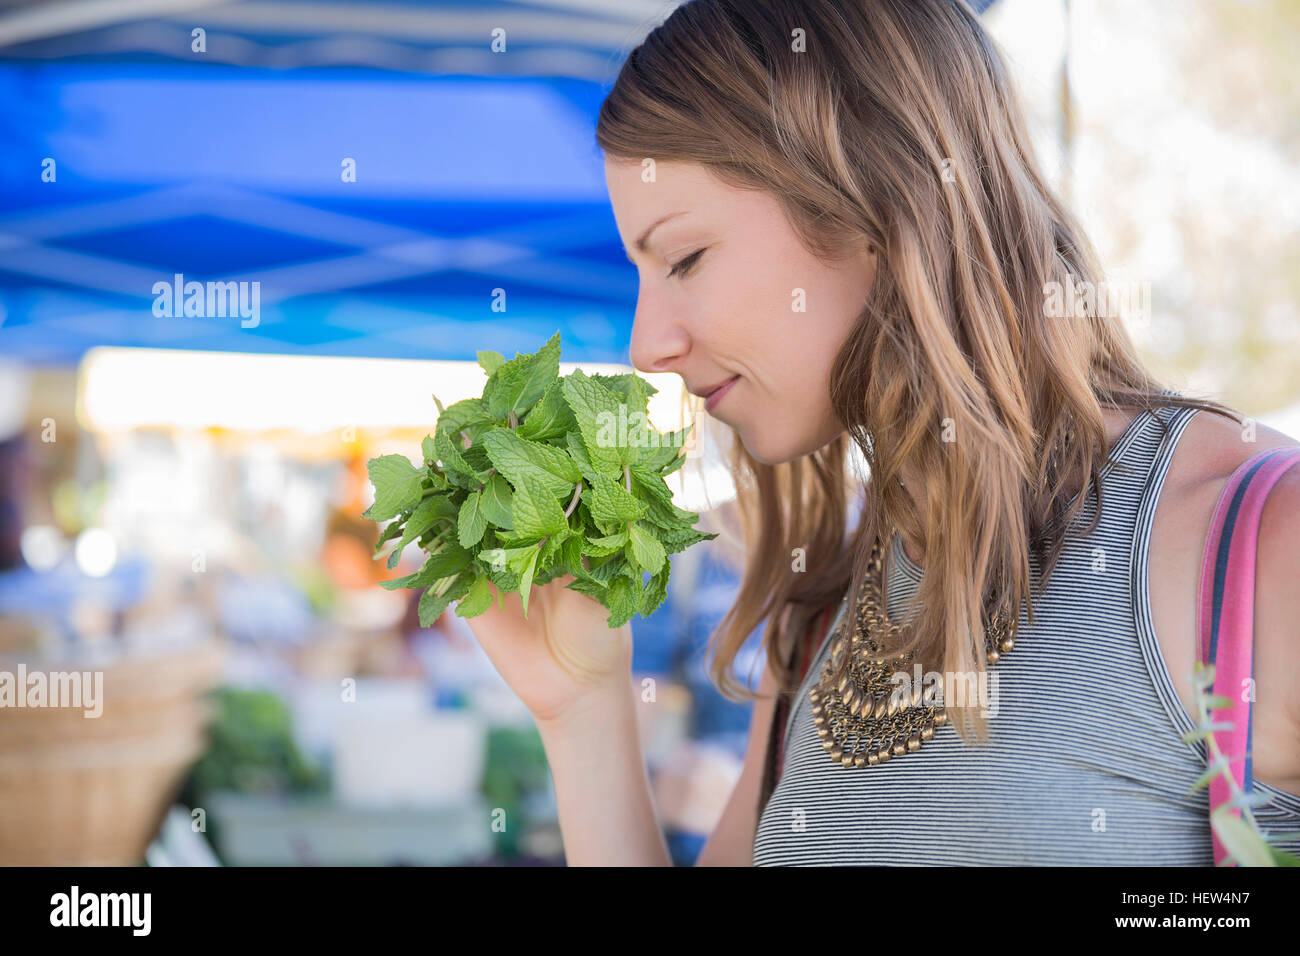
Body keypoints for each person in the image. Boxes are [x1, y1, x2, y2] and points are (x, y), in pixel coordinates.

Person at [464, 0, 1300, 865]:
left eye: (684, 258)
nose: (647, 344)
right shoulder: (819, 616)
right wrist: (582, 712)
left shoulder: (1258, 539)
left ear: (872, 201)